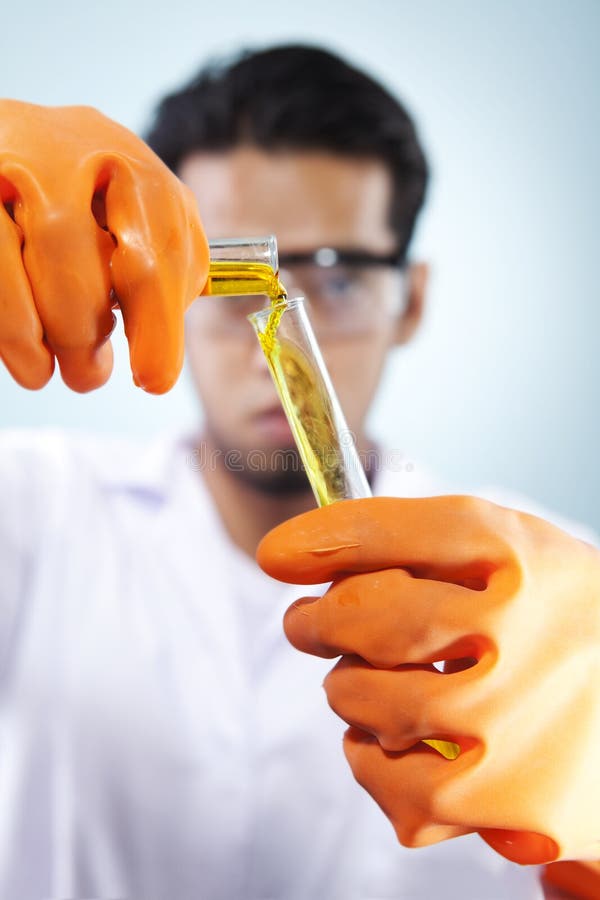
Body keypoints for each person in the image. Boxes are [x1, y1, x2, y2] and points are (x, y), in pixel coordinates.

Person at [0, 44, 598, 900]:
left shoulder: (555, 616)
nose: (271, 344)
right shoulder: (26, 512)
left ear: (413, 300)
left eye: (339, 280)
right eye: (228, 285)